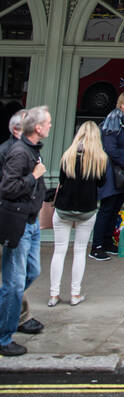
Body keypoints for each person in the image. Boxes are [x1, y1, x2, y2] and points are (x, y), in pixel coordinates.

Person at [0, 105, 51, 356]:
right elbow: (8, 188)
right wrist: (34, 176)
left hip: (31, 222)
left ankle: (8, 308)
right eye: (48, 123)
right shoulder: (19, 153)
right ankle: (4, 337)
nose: (51, 126)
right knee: (14, 282)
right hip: (19, 223)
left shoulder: (31, 150)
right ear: (37, 128)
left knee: (31, 272)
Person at [49, 120, 108, 306]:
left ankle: (53, 294)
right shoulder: (100, 158)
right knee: (80, 251)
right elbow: (101, 183)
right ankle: (75, 294)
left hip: (64, 208)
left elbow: (62, 180)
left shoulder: (68, 155)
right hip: (87, 209)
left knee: (59, 251)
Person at [91, 90, 124, 260]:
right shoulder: (113, 120)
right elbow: (110, 149)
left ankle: (107, 241)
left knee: (116, 208)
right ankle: (96, 246)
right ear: (119, 104)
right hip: (112, 171)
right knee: (106, 208)